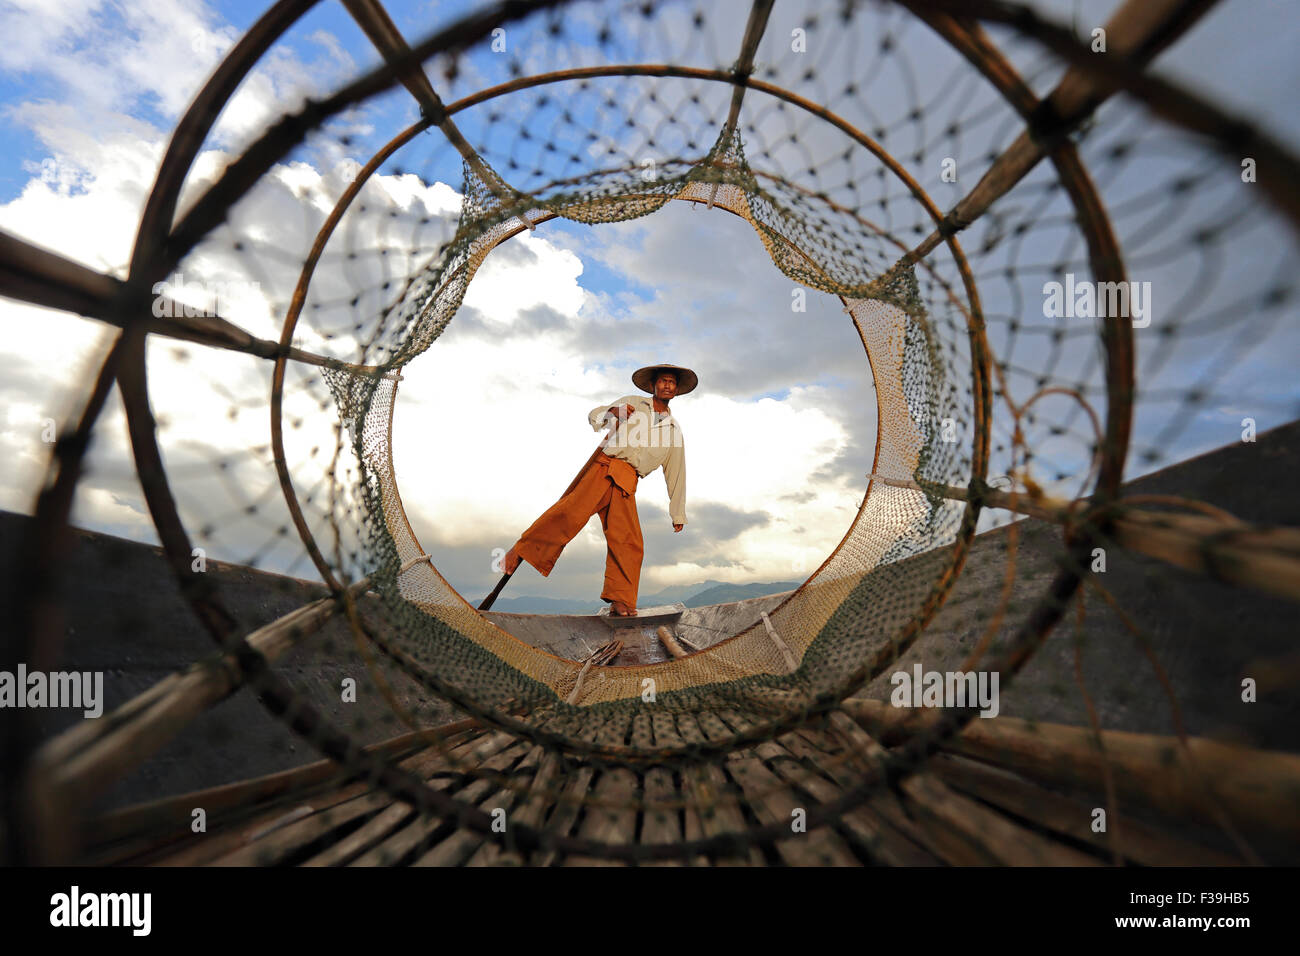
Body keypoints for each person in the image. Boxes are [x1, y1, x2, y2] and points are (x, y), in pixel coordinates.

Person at [500, 363, 694, 617]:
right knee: (569, 515)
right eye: (663, 381)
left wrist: (677, 513)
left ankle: (620, 600)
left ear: (676, 391)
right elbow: (596, 415)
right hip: (604, 468)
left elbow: (677, 471)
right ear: (653, 386)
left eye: (671, 382)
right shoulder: (634, 403)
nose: (667, 385)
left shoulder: (673, 431)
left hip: (627, 481)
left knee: (629, 541)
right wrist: (611, 412)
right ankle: (521, 549)